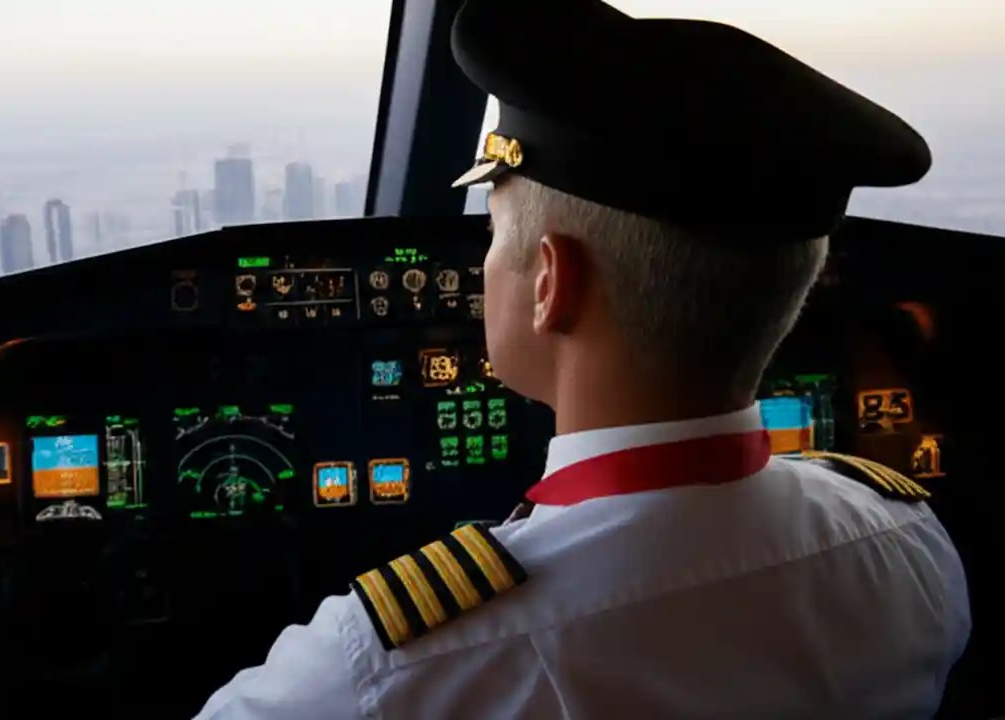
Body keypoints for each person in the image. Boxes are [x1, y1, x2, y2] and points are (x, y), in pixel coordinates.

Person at [196, 1, 971, 717]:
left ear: (549, 283)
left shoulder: (382, 671)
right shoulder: (907, 543)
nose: (483, 267)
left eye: (496, 238)